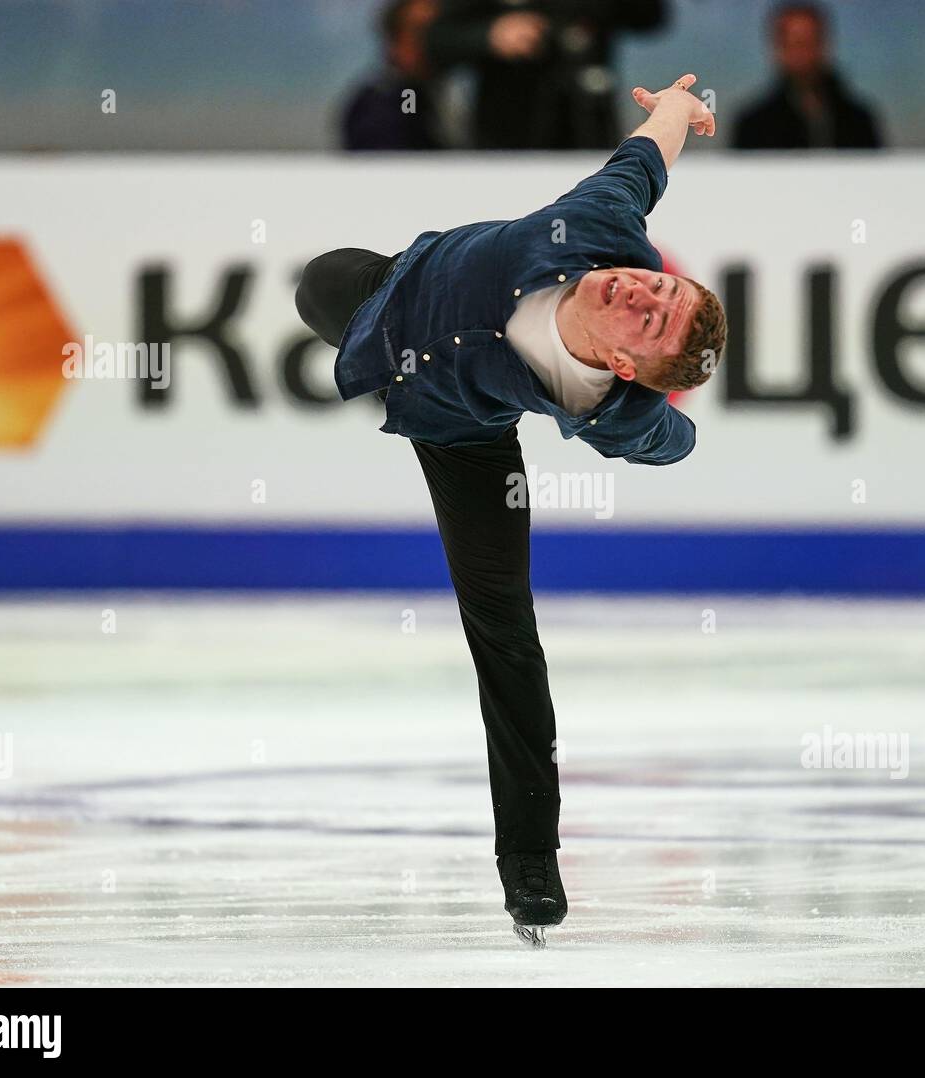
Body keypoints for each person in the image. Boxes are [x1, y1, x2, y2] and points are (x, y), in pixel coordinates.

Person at [295, 73, 726, 946]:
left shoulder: (617, 410)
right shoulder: (602, 225)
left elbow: (673, 445)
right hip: (391, 292)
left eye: (652, 321)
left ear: (633, 369)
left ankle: (529, 861)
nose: (639, 293)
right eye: (660, 288)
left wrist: (664, 434)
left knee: (502, 627)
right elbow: (649, 155)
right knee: (316, 284)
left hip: (461, 428)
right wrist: (677, 107)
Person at [424, 0, 668, 149]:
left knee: (593, 221)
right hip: (509, 129)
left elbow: (649, 16)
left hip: (590, 124)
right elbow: (437, 40)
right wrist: (491, 34)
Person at [734, 2, 883, 150]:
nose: (804, 53)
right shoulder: (755, 125)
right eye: (796, 43)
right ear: (778, 49)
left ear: (825, 45)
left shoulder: (858, 121)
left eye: (811, 42)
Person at [339, 0, 445, 151]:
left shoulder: (427, 93)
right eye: (421, 32)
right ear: (395, 41)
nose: (433, 42)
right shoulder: (395, 99)